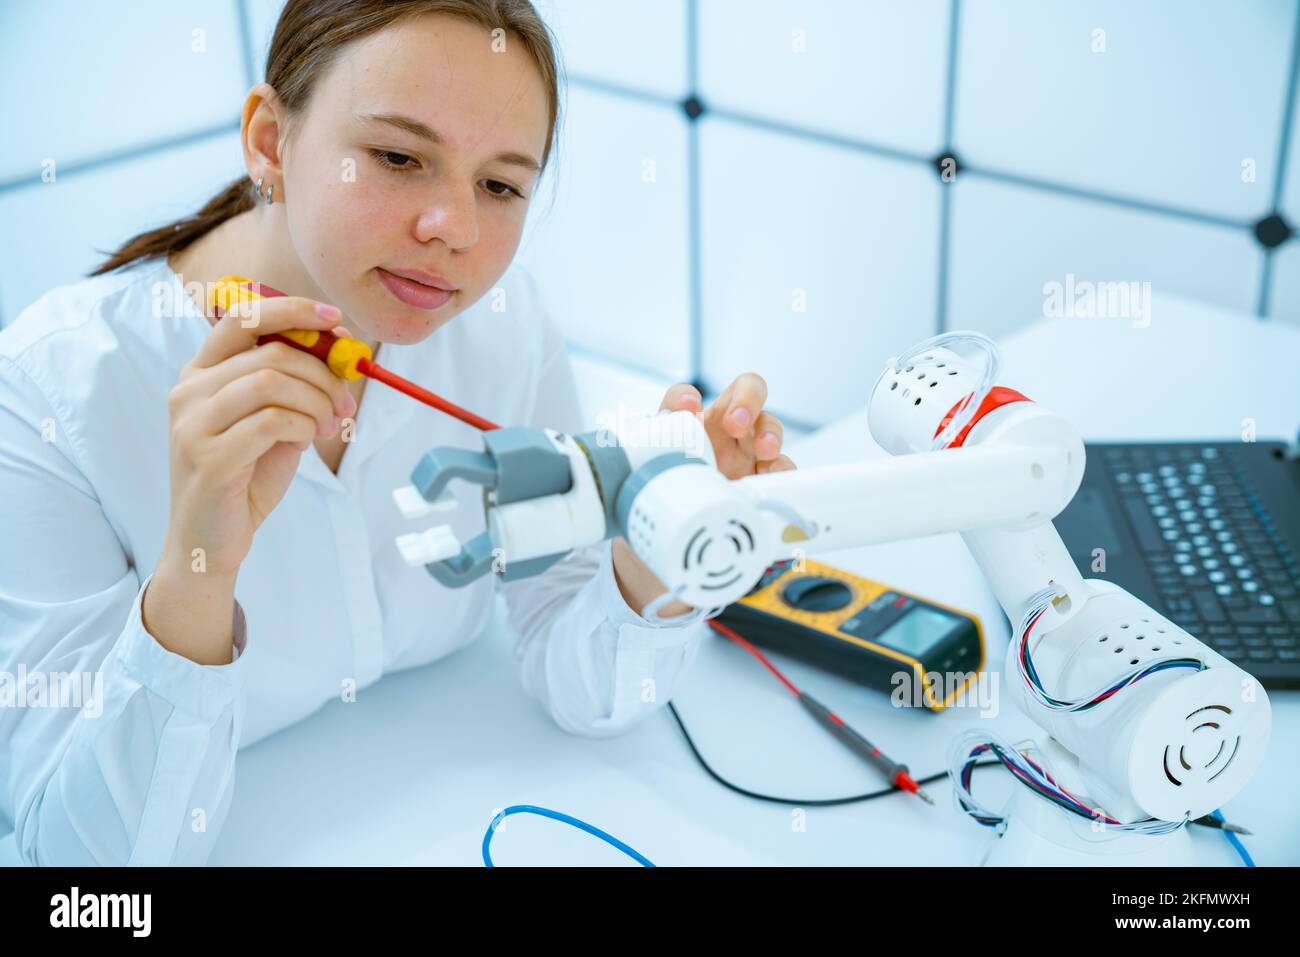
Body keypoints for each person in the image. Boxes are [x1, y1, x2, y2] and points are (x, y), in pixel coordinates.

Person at [0, 0, 795, 865]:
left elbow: (588, 684)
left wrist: (658, 549)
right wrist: (198, 565)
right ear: (271, 140)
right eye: (398, 157)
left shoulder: (503, 326)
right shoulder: (46, 398)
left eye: (499, 184)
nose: (452, 229)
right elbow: (82, 874)